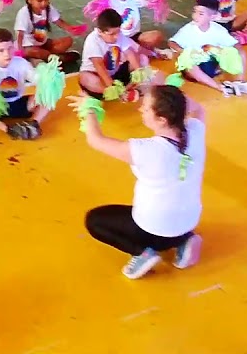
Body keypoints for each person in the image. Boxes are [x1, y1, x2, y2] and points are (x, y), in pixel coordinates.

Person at [80, 84, 206, 279]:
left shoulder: (146, 149)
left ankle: (143, 253)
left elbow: (95, 140)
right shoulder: (196, 130)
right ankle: (184, 240)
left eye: (146, 108)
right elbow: (198, 108)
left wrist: (88, 109)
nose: (140, 109)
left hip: (154, 230)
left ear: (162, 120)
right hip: (189, 220)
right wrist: (167, 96)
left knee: (95, 220)